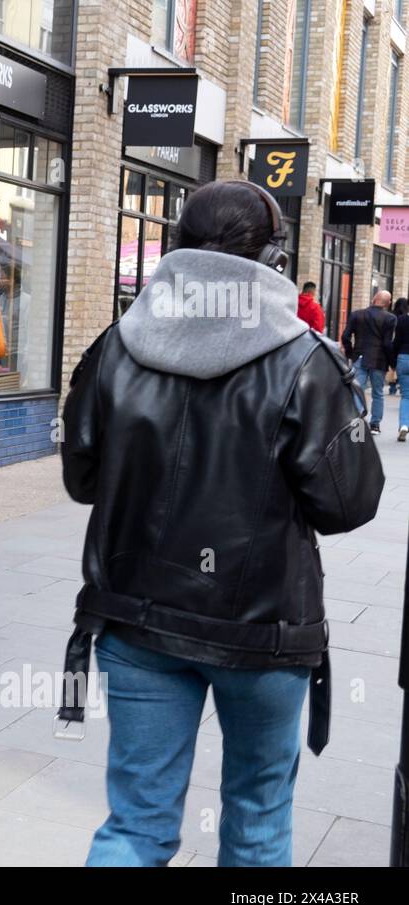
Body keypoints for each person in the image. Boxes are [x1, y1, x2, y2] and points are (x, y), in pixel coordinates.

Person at [61, 179, 384, 866]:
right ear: (272, 263)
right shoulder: (308, 360)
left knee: (135, 828)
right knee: (258, 821)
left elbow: (81, 478)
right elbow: (348, 503)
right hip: (263, 629)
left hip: (135, 615)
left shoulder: (115, 346)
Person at [341, 289, 396, 434]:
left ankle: (356, 424)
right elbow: (387, 343)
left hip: (359, 358)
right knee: (378, 393)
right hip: (379, 360)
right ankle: (375, 425)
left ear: (373, 299)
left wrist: (350, 353)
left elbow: (345, 336)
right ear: (388, 303)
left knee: (358, 391)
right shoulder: (390, 319)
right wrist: (392, 363)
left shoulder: (357, 314)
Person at [391, 298, 409, 436]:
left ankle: (404, 425)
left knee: (406, 396)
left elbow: (396, 342)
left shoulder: (402, 320)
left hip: (403, 357)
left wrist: (393, 361)